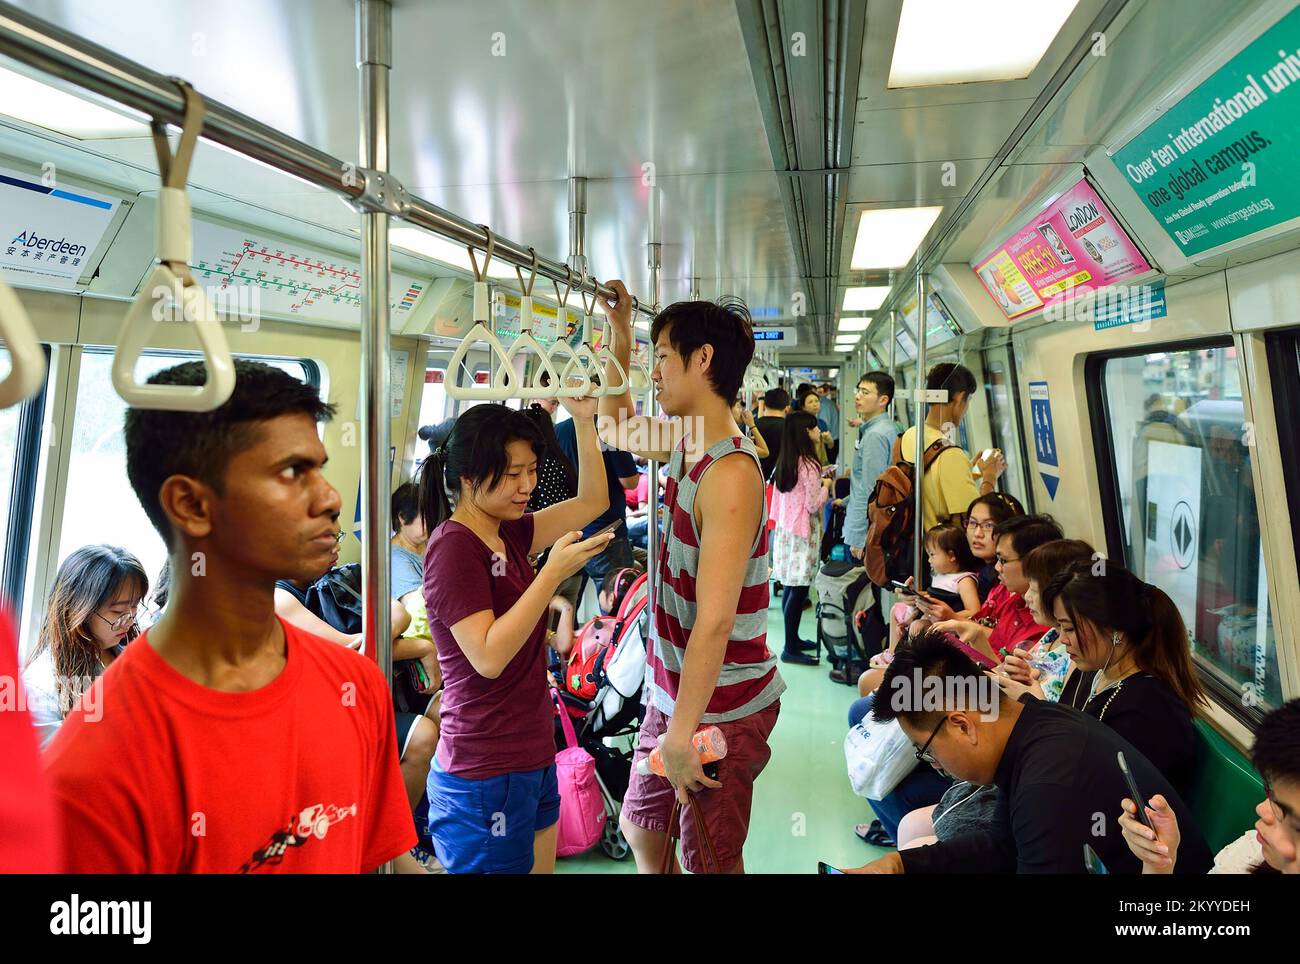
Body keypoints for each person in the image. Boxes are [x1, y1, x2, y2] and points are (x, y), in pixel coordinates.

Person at [45, 360, 415, 873]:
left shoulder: (355, 685)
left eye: (320, 469)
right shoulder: (94, 769)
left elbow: (383, 857)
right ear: (192, 505)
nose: (330, 499)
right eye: (292, 473)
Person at [598, 281, 783, 875]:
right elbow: (615, 429)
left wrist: (680, 736)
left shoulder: (729, 472)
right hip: (674, 691)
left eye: (661, 357)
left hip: (720, 703)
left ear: (702, 360)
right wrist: (622, 337)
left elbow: (717, 618)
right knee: (643, 827)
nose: (653, 371)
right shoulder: (683, 438)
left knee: (709, 856)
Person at [419, 400, 614, 874]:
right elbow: (487, 656)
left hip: (530, 750)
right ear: (468, 478)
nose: (527, 486)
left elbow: (592, 502)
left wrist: (586, 422)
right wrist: (550, 577)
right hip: (484, 765)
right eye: (511, 475)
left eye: (531, 471)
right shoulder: (453, 550)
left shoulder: (507, 532)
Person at [849, 631, 1213, 874]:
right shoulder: (1035, 726)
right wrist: (899, 865)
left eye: (926, 752)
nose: (935, 765)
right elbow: (1001, 845)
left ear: (962, 724)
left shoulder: (1048, 782)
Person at [1043, 560, 1209, 796]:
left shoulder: (1146, 711)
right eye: (1060, 628)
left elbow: (1116, 798)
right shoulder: (1094, 670)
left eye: (1069, 629)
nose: (1062, 640)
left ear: (1114, 630)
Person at [1120, 698, 1300, 874]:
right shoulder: (1250, 854)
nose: (1262, 809)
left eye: (1291, 819)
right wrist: (1159, 865)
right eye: (1270, 793)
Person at [22, 545, 149, 750]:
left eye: (134, 605)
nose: (129, 619)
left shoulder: (128, 654)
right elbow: (57, 771)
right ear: (79, 609)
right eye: (117, 611)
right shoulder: (41, 687)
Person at [928, 513, 1061, 666]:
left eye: (1003, 560)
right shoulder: (1014, 601)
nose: (997, 567)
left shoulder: (1046, 622)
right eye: (972, 523)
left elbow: (1011, 682)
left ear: (1034, 561)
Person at [898, 363, 1005, 531]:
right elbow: (974, 522)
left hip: (917, 543)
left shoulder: (910, 435)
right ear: (959, 398)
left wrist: (969, 471)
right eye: (968, 400)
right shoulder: (950, 454)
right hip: (945, 550)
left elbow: (931, 483)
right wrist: (990, 477)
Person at [769, 411, 832, 666]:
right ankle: (790, 648)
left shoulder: (787, 460)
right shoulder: (810, 465)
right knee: (800, 589)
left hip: (786, 531)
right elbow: (812, 502)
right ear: (806, 432)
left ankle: (792, 640)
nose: (818, 432)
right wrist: (826, 486)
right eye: (814, 428)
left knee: (791, 588)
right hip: (804, 533)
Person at [555, 409, 638, 599]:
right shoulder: (610, 431)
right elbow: (630, 481)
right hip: (607, 532)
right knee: (616, 604)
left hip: (569, 533)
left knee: (568, 602)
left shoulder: (558, 432)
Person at [888, 524, 981, 649]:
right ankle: (894, 656)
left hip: (950, 626)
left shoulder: (964, 580)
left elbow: (974, 611)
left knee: (917, 627)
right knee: (898, 610)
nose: (929, 560)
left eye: (932, 555)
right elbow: (928, 608)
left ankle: (916, 667)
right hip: (931, 619)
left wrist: (950, 616)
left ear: (951, 556)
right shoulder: (938, 577)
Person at [842, 372, 896, 560]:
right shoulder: (884, 428)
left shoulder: (875, 436)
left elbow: (871, 489)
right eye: (858, 391)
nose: (857, 396)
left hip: (863, 531)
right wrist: (847, 500)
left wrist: (859, 536)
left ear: (883, 400)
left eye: (865, 392)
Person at [755, 387, 788, 481]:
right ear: (786, 406)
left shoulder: (751, 427)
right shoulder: (791, 428)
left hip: (755, 479)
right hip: (781, 481)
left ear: (765, 404)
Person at [795, 385, 831, 466]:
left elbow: (830, 445)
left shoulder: (822, 423)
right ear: (803, 407)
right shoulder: (798, 424)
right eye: (810, 402)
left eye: (817, 401)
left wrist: (829, 440)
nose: (815, 404)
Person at [818, 383, 841, 464]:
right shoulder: (827, 403)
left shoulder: (824, 405)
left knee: (827, 467)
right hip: (832, 439)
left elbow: (825, 426)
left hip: (829, 441)